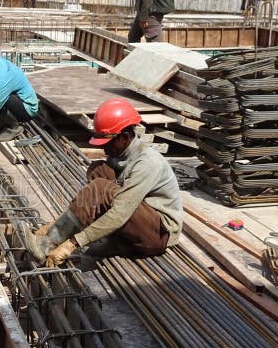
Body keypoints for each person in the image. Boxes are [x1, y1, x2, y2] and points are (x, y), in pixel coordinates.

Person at [21, 98, 183, 267]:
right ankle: (67, 232)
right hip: (141, 220)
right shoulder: (124, 154)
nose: (103, 148)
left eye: (107, 143)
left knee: (99, 189)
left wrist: (72, 244)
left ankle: (47, 244)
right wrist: (58, 222)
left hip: (158, 235)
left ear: (125, 137)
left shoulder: (148, 163)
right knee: (98, 169)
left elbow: (120, 212)